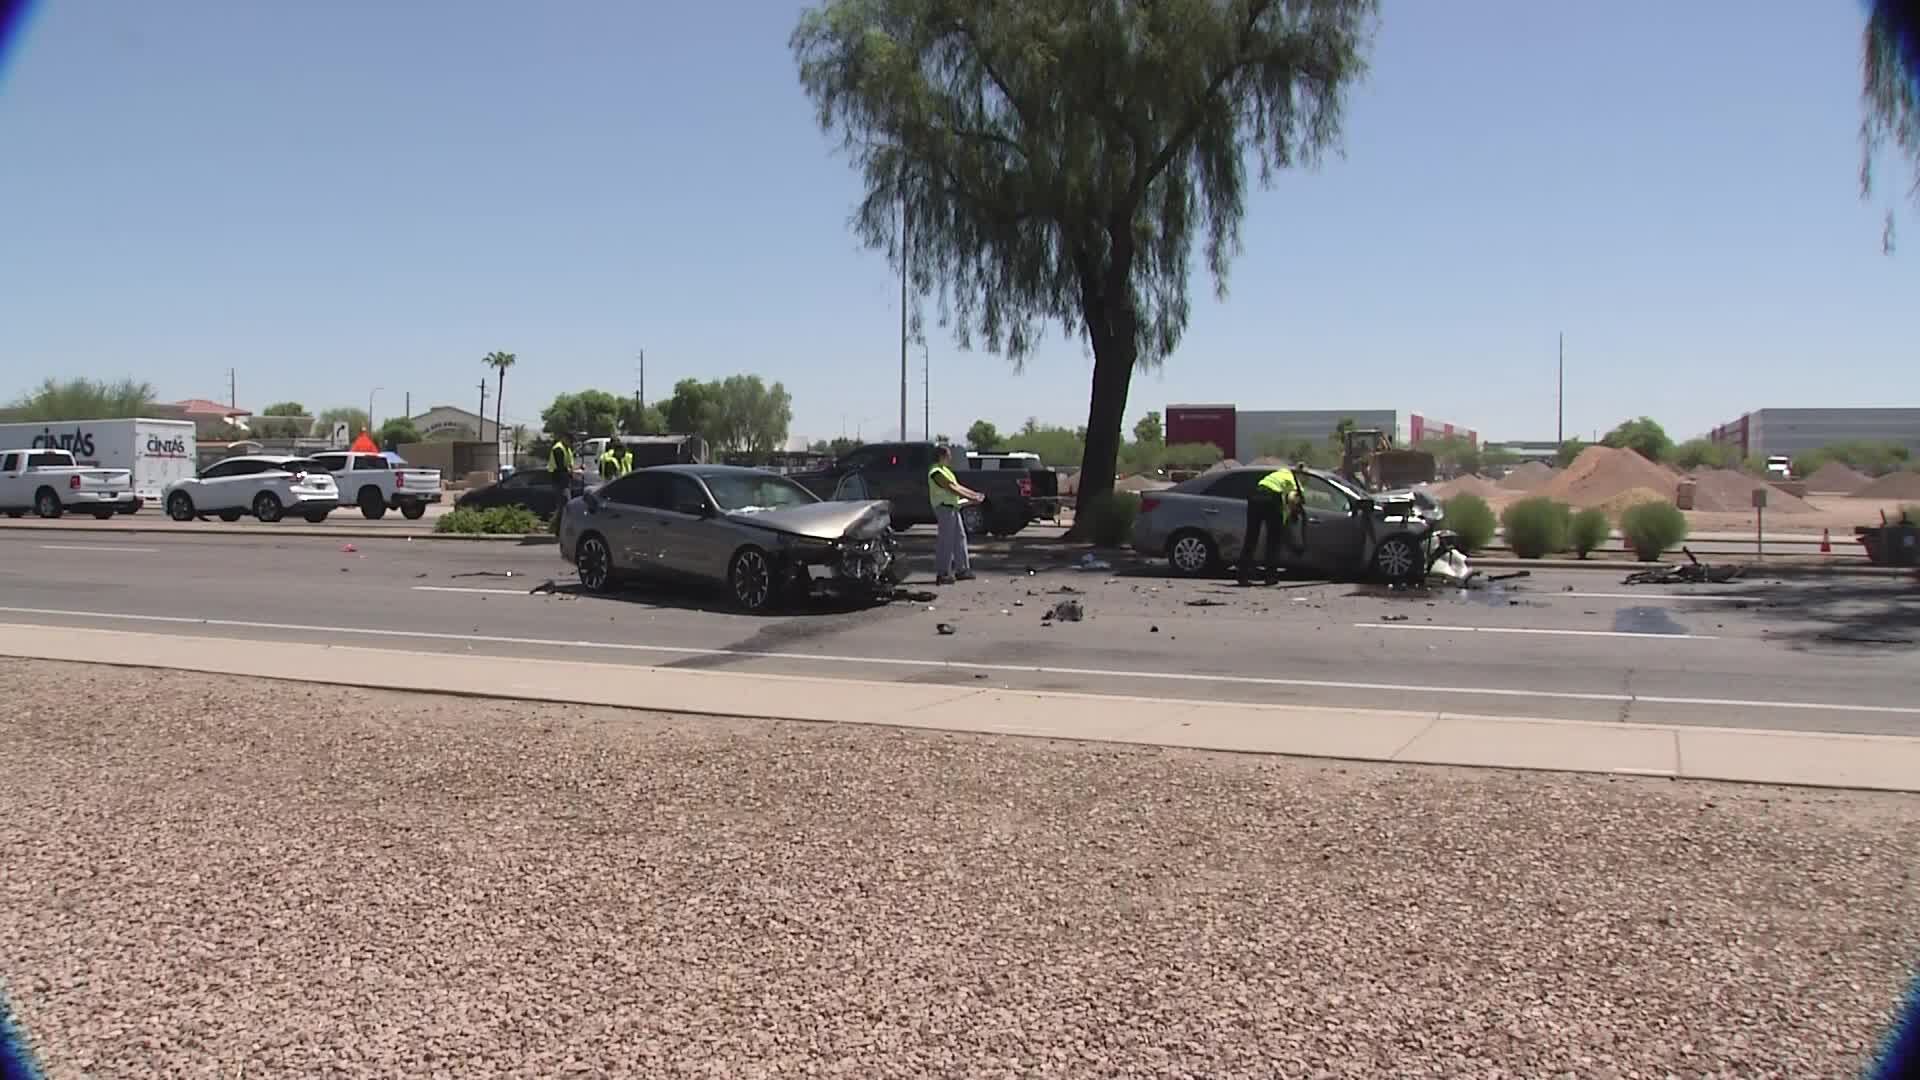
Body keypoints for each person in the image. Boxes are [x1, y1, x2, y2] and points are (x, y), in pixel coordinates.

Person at [1239, 464, 1304, 586]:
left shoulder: (1276, 475)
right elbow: (1292, 498)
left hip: (1255, 496)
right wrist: (1291, 515)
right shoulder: (1292, 480)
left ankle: (1242, 576)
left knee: (1251, 538)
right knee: (1273, 542)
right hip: (1271, 499)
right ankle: (1270, 577)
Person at [928, 445, 984, 585]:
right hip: (944, 508)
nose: (950, 458)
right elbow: (951, 488)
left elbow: (957, 486)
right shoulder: (935, 472)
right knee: (946, 541)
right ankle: (943, 573)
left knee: (960, 538)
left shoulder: (945, 470)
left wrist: (973, 494)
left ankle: (962, 570)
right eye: (948, 455)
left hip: (953, 507)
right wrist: (971, 497)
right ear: (941, 456)